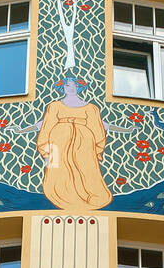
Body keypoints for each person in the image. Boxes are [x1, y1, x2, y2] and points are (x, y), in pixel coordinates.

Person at [37, 77, 112, 211]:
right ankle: (62, 196)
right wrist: (46, 152)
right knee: (60, 170)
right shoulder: (54, 106)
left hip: (85, 143)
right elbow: (46, 127)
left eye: (73, 85)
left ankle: (89, 196)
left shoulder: (91, 108)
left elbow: (98, 129)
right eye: (67, 85)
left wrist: (97, 150)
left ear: (79, 87)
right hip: (58, 142)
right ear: (62, 88)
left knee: (85, 170)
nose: (70, 88)